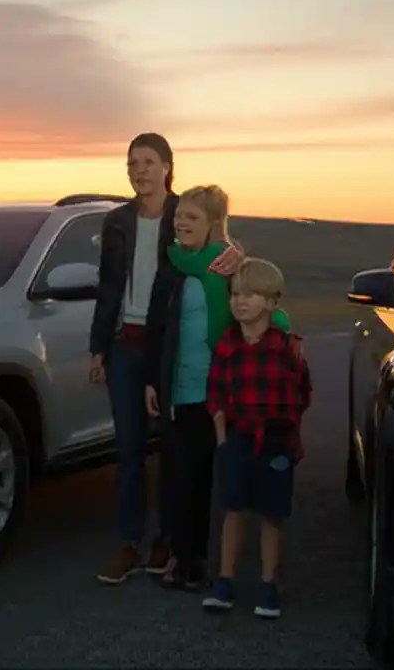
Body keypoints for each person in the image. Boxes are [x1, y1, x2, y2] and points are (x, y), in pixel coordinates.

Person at [90, 133, 243, 585]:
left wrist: (238, 256)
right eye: (132, 162)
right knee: (130, 448)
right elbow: (107, 287)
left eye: (148, 162)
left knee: (173, 452)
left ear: (167, 167)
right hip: (124, 345)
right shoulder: (117, 221)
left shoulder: (184, 214)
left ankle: (168, 538)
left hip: (169, 345)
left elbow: (220, 246)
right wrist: (98, 347)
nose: (139, 170)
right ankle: (128, 542)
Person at [142, 186, 292, 592]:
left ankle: (231, 566)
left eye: (192, 218)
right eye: (179, 217)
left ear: (213, 224)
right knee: (180, 478)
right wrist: (152, 382)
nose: (181, 223)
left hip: (223, 392)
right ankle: (186, 559)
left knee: (223, 477)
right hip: (179, 389)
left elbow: (261, 308)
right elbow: (157, 329)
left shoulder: (228, 268)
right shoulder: (171, 267)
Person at [201, 258, 313, 619]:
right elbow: (215, 392)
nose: (239, 301)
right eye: (235, 294)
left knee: (271, 513)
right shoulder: (227, 344)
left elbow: (303, 394)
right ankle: (224, 580)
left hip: (276, 442)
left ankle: (268, 583)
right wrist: (221, 437)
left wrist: (288, 432)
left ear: (271, 302)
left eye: (250, 294)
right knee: (233, 509)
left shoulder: (287, 348)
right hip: (236, 439)